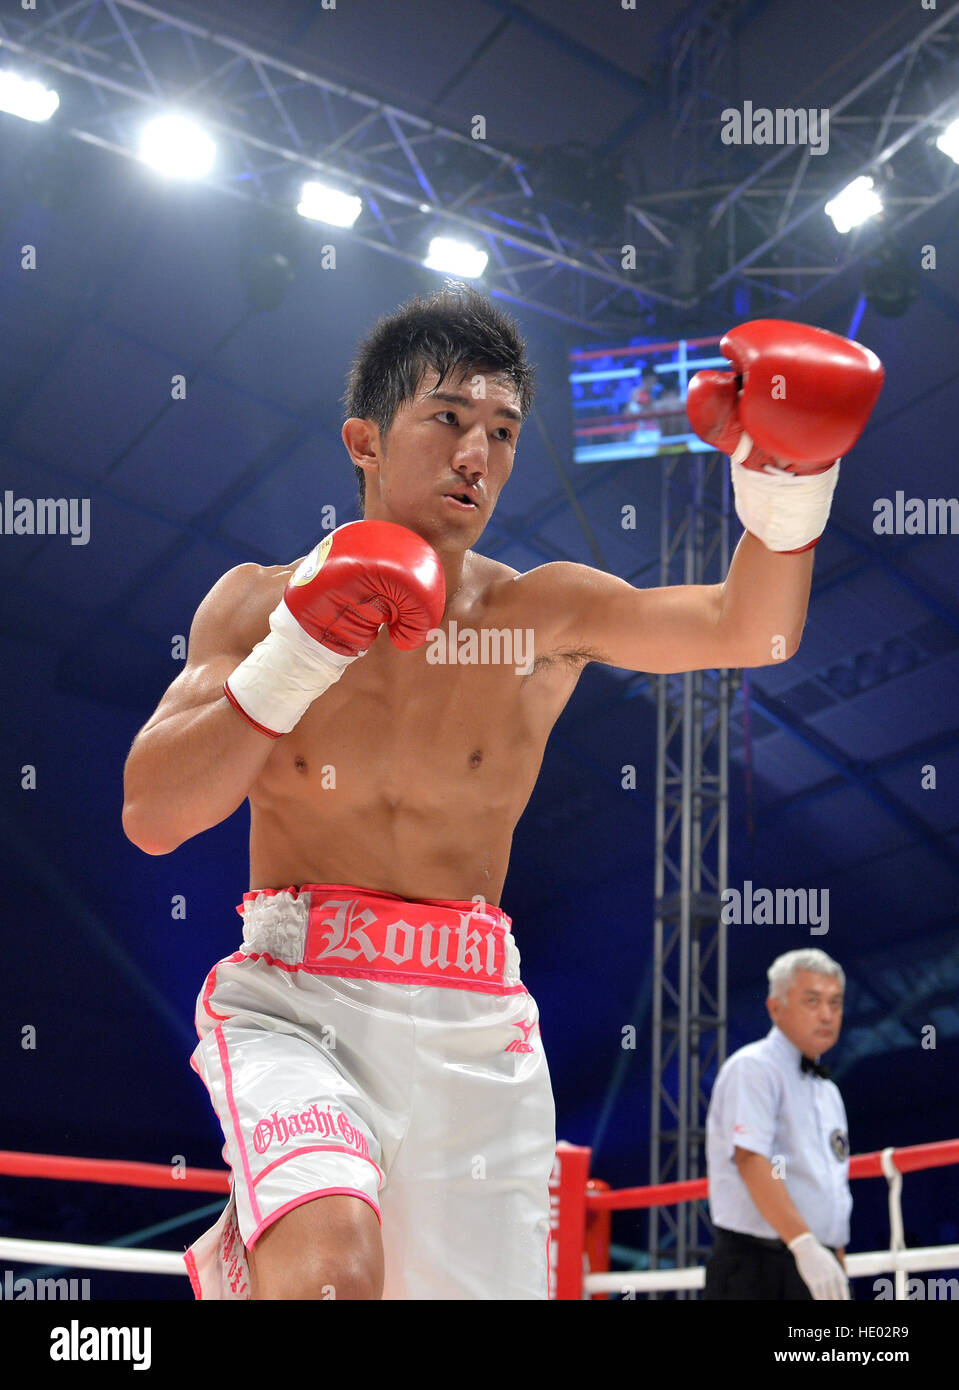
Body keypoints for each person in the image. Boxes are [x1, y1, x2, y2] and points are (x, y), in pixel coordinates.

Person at [121, 288, 883, 1300]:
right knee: (329, 1269)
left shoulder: (539, 611)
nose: (475, 453)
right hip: (296, 1005)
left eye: (502, 431)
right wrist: (296, 653)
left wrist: (787, 478)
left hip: (473, 1029)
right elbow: (154, 814)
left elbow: (752, 632)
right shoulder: (255, 603)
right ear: (364, 438)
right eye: (446, 419)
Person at [704, 949, 852, 1301]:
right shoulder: (753, 1068)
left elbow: (831, 1188)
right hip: (758, 1267)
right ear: (776, 1007)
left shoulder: (828, 1091)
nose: (827, 1015)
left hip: (815, 1262)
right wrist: (804, 1245)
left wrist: (835, 1261)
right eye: (812, 1001)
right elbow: (750, 1159)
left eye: (835, 1003)